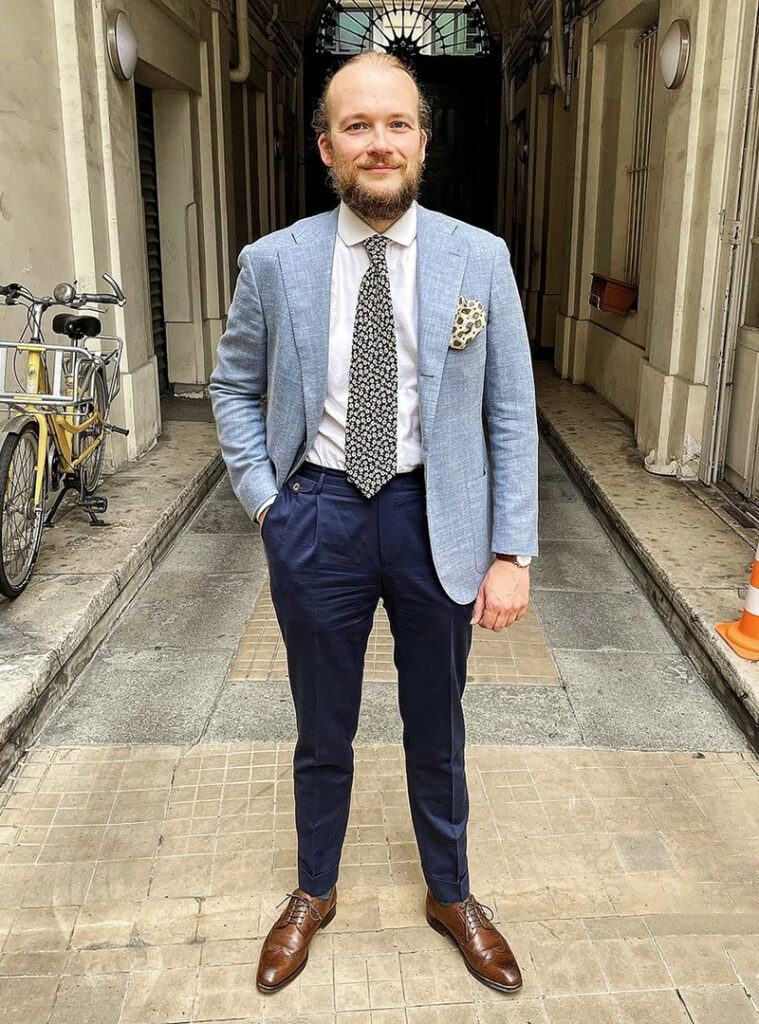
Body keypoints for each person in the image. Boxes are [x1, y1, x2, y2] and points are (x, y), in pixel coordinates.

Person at [209, 50, 539, 996]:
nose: (379, 143)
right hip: (316, 515)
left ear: (422, 142)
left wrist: (511, 549)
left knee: (437, 724)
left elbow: (510, 412)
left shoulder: (481, 259)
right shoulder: (272, 264)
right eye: (357, 126)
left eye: (396, 124)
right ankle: (314, 889)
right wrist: (267, 504)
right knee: (323, 725)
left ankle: (451, 893)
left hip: (437, 516)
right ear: (327, 147)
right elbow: (233, 388)